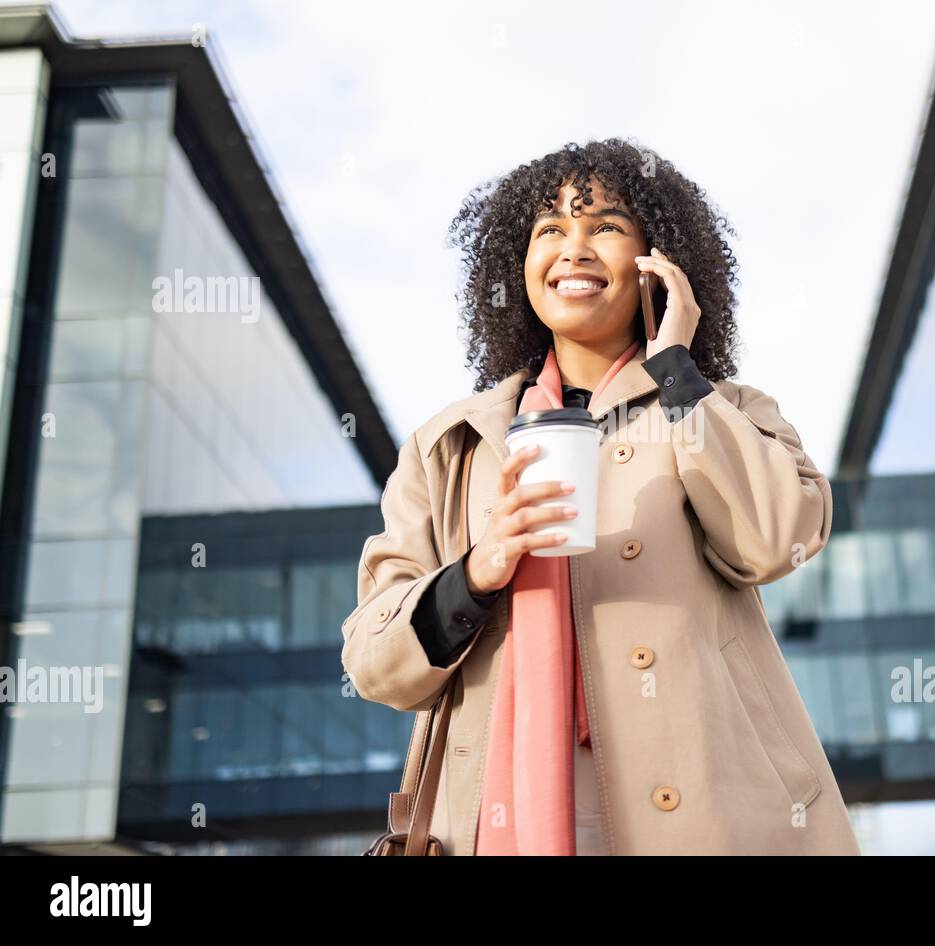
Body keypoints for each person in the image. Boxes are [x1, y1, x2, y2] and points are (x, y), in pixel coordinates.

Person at [342, 138, 861, 855]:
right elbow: (373, 663)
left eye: (606, 227)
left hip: (710, 819)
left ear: (660, 260)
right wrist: (477, 572)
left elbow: (779, 537)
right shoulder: (451, 443)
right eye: (550, 230)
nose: (574, 248)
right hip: (499, 822)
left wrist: (678, 371)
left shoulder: (724, 407)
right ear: (517, 266)